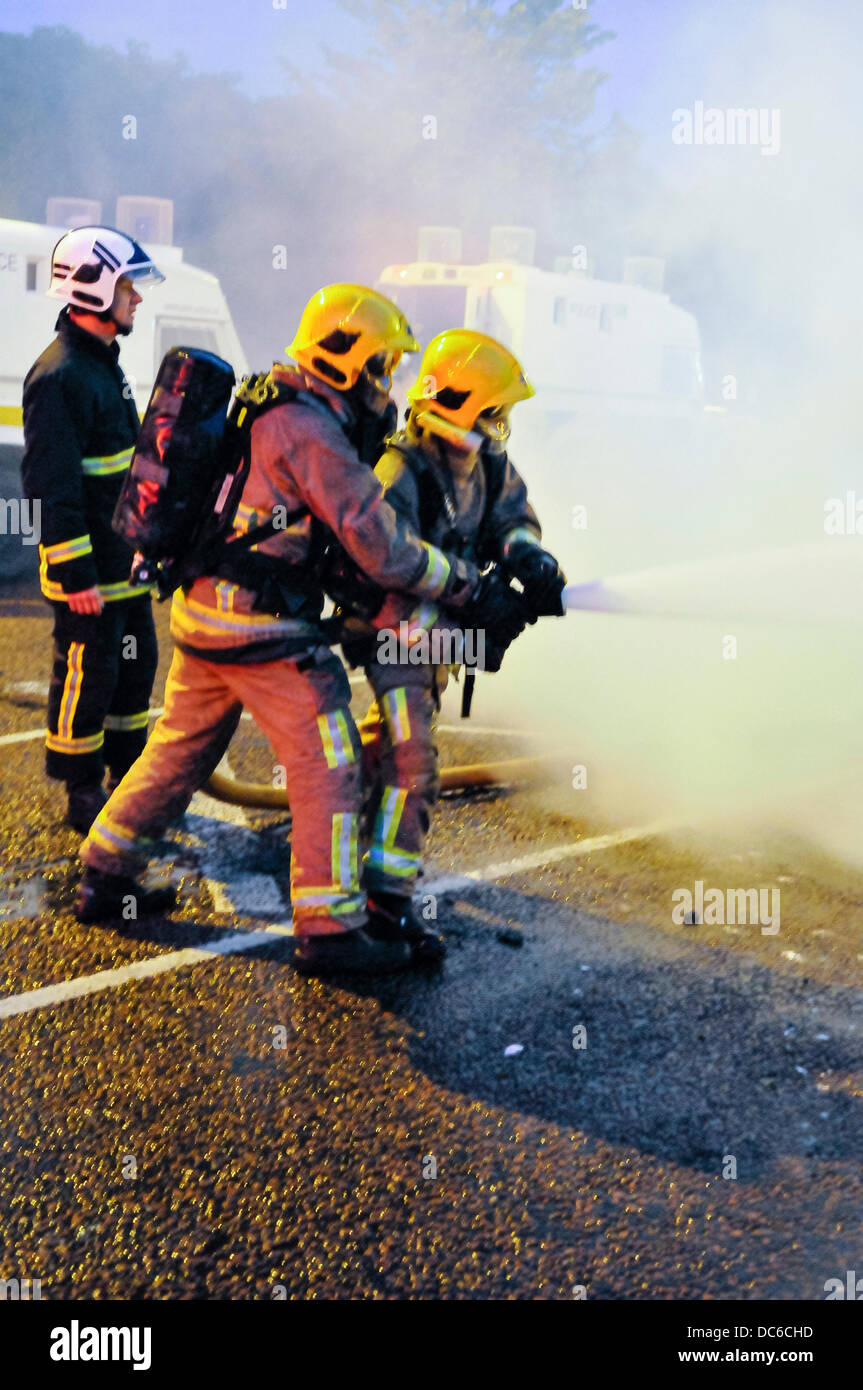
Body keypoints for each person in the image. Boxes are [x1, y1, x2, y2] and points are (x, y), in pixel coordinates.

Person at [76, 287, 524, 976]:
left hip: (204, 611)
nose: (387, 385)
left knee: (178, 750)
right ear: (344, 360)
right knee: (330, 764)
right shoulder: (309, 432)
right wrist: (469, 589)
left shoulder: (278, 403)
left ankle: (105, 870)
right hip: (257, 627)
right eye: (380, 367)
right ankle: (331, 929)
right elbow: (382, 548)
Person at [353, 330, 567, 960]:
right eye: (493, 410)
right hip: (396, 640)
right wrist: (471, 632)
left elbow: (510, 518)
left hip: (437, 631)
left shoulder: (486, 462)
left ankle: (335, 817)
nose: (501, 423)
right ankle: (385, 900)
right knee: (415, 762)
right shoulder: (402, 471)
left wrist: (530, 557)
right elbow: (386, 586)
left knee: (384, 745)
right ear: (457, 401)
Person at [21, 226, 165, 833]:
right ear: (98, 286)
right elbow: (53, 489)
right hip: (91, 574)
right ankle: (83, 794)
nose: (137, 299)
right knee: (87, 675)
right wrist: (77, 573)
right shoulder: (58, 376)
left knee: (135, 669)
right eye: (129, 286)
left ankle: (126, 779)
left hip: (122, 564)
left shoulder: (103, 365)